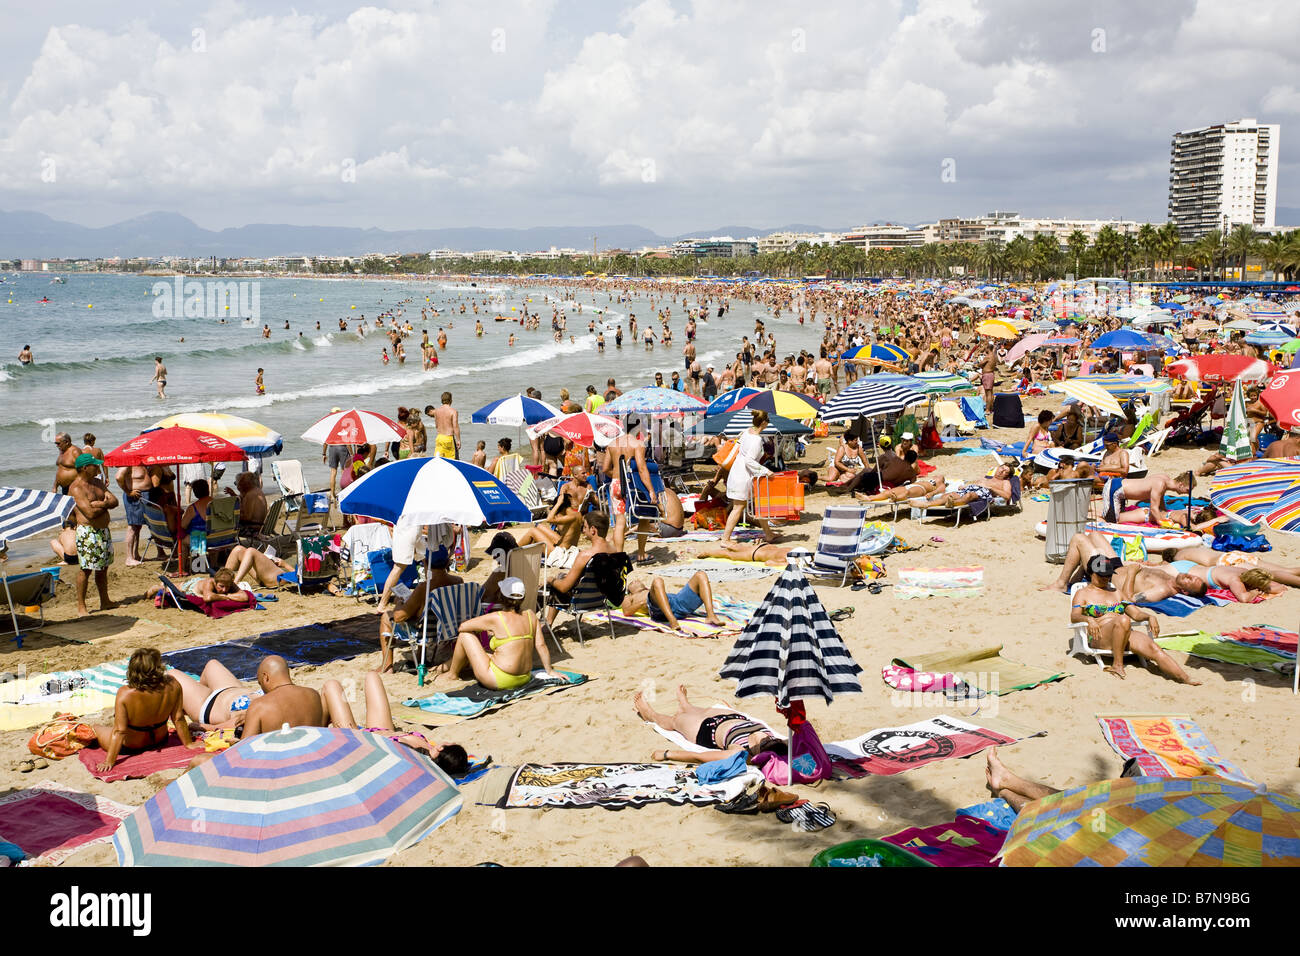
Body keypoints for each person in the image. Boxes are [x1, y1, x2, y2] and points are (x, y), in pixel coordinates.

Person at [1070, 554, 1198, 683]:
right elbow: (1074, 616)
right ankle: (1117, 665)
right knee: (1123, 620)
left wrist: (1149, 616)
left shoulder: (1117, 593)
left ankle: (1185, 678)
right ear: (1091, 573)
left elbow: (1136, 614)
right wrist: (1088, 620)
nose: (1105, 578)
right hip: (1100, 637)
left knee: (1154, 648)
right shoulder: (1083, 593)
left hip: (1123, 632)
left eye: (1108, 575)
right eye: (1101, 575)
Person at [320, 671, 468, 775]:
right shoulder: (429, 750)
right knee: (372, 676)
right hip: (381, 729)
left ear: (441, 749)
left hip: (355, 738)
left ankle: (314, 734)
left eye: (450, 743)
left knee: (331, 685)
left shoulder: (415, 757)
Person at [433, 577, 558, 690]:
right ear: (523, 598)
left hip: (499, 680)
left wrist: (484, 628)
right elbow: (541, 646)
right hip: (524, 677)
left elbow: (462, 627)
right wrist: (549, 671)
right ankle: (443, 668)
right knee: (481, 652)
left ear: (501, 597)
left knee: (465, 635)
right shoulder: (531, 615)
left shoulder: (496, 618)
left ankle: (452, 674)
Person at [90, 648, 197, 772]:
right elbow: (178, 718)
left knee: (96, 727)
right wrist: (188, 744)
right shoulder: (173, 685)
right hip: (160, 740)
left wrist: (109, 761)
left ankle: (97, 729)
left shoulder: (125, 693)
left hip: (131, 746)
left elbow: (120, 731)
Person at [633, 684, 786, 763]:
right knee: (703, 710)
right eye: (770, 739)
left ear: (757, 752)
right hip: (734, 719)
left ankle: (650, 714)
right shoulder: (779, 745)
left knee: (675, 721)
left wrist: (667, 754)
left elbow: (700, 757)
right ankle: (685, 705)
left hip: (707, 731)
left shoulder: (740, 752)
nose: (765, 738)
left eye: (764, 742)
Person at [378, 545, 463, 673]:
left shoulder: (424, 587)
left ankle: (387, 666)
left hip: (427, 632)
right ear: (447, 562)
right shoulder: (458, 581)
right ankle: (418, 656)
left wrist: (399, 603)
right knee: (423, 615)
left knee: (386, 617)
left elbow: (399, 617)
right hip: (449, 628)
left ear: (426, 562)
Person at [69, 452, 118, 616]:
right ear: (85, 468)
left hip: (103, 530)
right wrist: (105, 504)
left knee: (103, 567)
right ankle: (81, 606)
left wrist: (100, 503)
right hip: (88, 532)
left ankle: (105, 601)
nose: (98, 468)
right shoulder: (76, 488)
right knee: (86, 569)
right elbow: (89, 513)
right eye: (95, 465)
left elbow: (115, 501)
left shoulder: (97, 482)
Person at [603, 426, 659, 558]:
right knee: (644, 518)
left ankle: (619, 557)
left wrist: (617, 477)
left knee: (619, 522)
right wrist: (651, 490)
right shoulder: (637, 444)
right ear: (638, 428)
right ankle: (641, 554)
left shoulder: (612, 444)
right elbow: (641, 469)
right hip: (633, 485)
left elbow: (605, 469)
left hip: (616, 484)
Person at [722, 410, 775, 543]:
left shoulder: (747, 431)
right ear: (763, 423)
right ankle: (725, 539)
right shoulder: (757, 440)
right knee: (738, 507)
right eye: (767, 422)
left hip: (738, 471)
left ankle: (768, 533)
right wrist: (765, 471)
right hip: (743, 475)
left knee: (758, 504)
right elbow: (749, 461)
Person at [168, 657, 264, 731]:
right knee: (212, 664)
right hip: (230, 689)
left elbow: (237, 723)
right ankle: (192, 698)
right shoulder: (277, 693)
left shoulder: (261, 711)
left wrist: (205, 727)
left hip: (207, 706)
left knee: (172, 674)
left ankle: (192, 702)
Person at [621, 570, 724, 631]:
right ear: (629, 591)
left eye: (636, 580)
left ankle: (710, 615)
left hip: (677, 603)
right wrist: (641, 603)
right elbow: (626, 611)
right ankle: (672, 620)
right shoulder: (630, 597)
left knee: (700, 574)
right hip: (658, 610)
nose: (635, 580)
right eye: (631, 582)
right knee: (658, 580)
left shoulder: (651, 590)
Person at [909, 464, 1014, 510]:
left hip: (984, 493)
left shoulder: (1005, 482)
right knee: (948, 495)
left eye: (1005, 471)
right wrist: (966, 485)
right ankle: (926, 504)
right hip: (971, 488)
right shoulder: (986, 477)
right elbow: (974, 482)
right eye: (1001, 468)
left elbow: (1007, 496)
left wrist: (990, 488)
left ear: (1007, 476)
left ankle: (953, 503)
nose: (1002, 471)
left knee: (969, 495)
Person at [115, 461, 150, 566]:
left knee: (138, 526)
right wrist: (128, 492)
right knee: (132, 526)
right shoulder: (129, 460)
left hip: (142, 496)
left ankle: (135, 554)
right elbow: (118, 476)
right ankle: (129, 558)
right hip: (134, 496)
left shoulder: (140, 459)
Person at [178, 478, 213, 574]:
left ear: (195, 492)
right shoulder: (217, 503)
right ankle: (213, 564)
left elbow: (183, 525)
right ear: (207, 489)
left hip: (203, 540)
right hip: (218, 538)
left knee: (183, 541)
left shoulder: (193, 508)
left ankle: (183, 568)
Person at [223, 545, 296, 588]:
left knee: (251, 551)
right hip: (270, 576)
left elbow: (299, 576)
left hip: (280, 578)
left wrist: (285, 564)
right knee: (238, 549)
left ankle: (235, 584)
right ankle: (222, 582)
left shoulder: (305, 554)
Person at [224, 471, 268, 536]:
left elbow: (247, 518)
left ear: (246, 484)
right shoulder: (257, 491)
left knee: (224, 524)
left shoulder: (250, 495)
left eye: (240, 483)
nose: (238, 486)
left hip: (253, 528)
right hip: (261, 525)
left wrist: (231, 516)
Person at [431, 392, 461, 459]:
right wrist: (458, 440)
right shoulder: (453, 411)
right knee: (452, 462)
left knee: (438, 460)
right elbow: (455, 426)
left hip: (439, 437)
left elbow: (436, 425)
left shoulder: (436, 411)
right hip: (448, 438)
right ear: (451, 400)